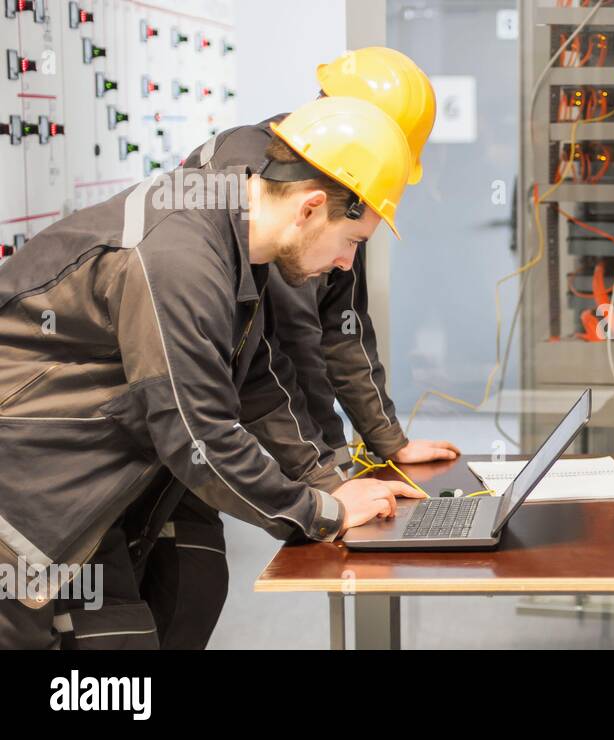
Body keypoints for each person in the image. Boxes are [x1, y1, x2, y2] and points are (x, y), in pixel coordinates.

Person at [0, 97, 425, 649]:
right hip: (23, 497)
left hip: (81, 484)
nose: (347, 265)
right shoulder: (181, 258)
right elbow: (198, 434)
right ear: (311, 207)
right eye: (352, 243)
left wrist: (329, 482)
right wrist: (321, 513)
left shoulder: (235, 238)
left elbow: (258, 384)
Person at [131, 47, 459, 649]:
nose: (346, 256)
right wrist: (330, 479)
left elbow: (342, 323)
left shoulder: (337, 188)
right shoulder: (278, 184)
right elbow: (293, 346)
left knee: (190, 586)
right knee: (148, 604)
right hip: (164, 418)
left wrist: (387, 442)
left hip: (203, 413)